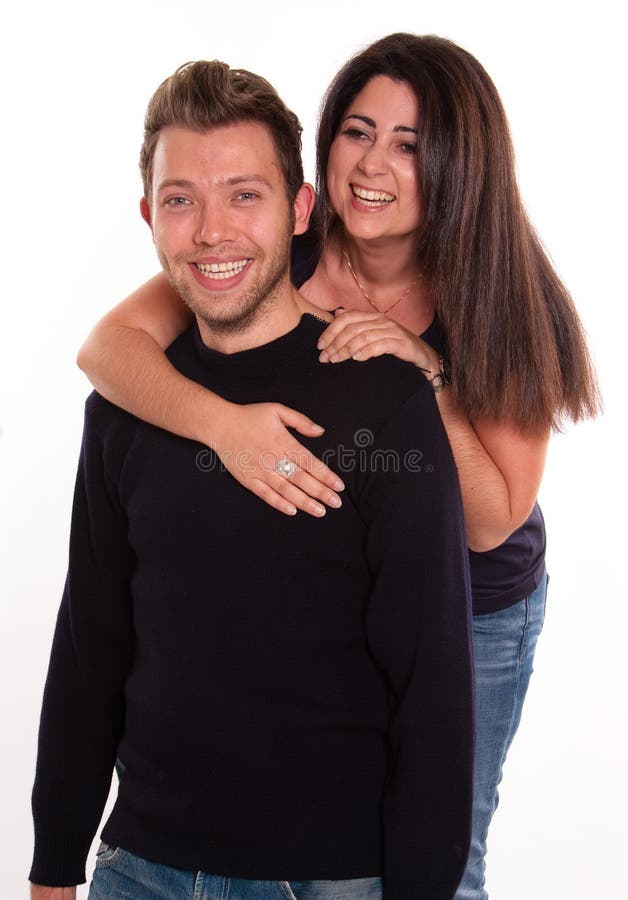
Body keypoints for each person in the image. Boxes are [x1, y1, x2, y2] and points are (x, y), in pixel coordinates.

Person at [76, 35, 600, 898]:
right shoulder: (279, 246)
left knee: (442, 849)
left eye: (408, 143)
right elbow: (107, 352)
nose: (373, 164)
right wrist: (225, 428)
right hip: (348, 575)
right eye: (358, 132)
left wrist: (419, 374)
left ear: (457, 165)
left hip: (477, 607)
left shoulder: (503, 290)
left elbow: (493, 517)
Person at [29, 60, 475, 900]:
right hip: (140, 867)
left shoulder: (385, 400)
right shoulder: (127, 410)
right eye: (181, 199)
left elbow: (434, 686)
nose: (211, 232)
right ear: (149, 219)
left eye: (244, 194)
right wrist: (54, 867)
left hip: (330, 876)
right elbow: (89, 651)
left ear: (301, 209)